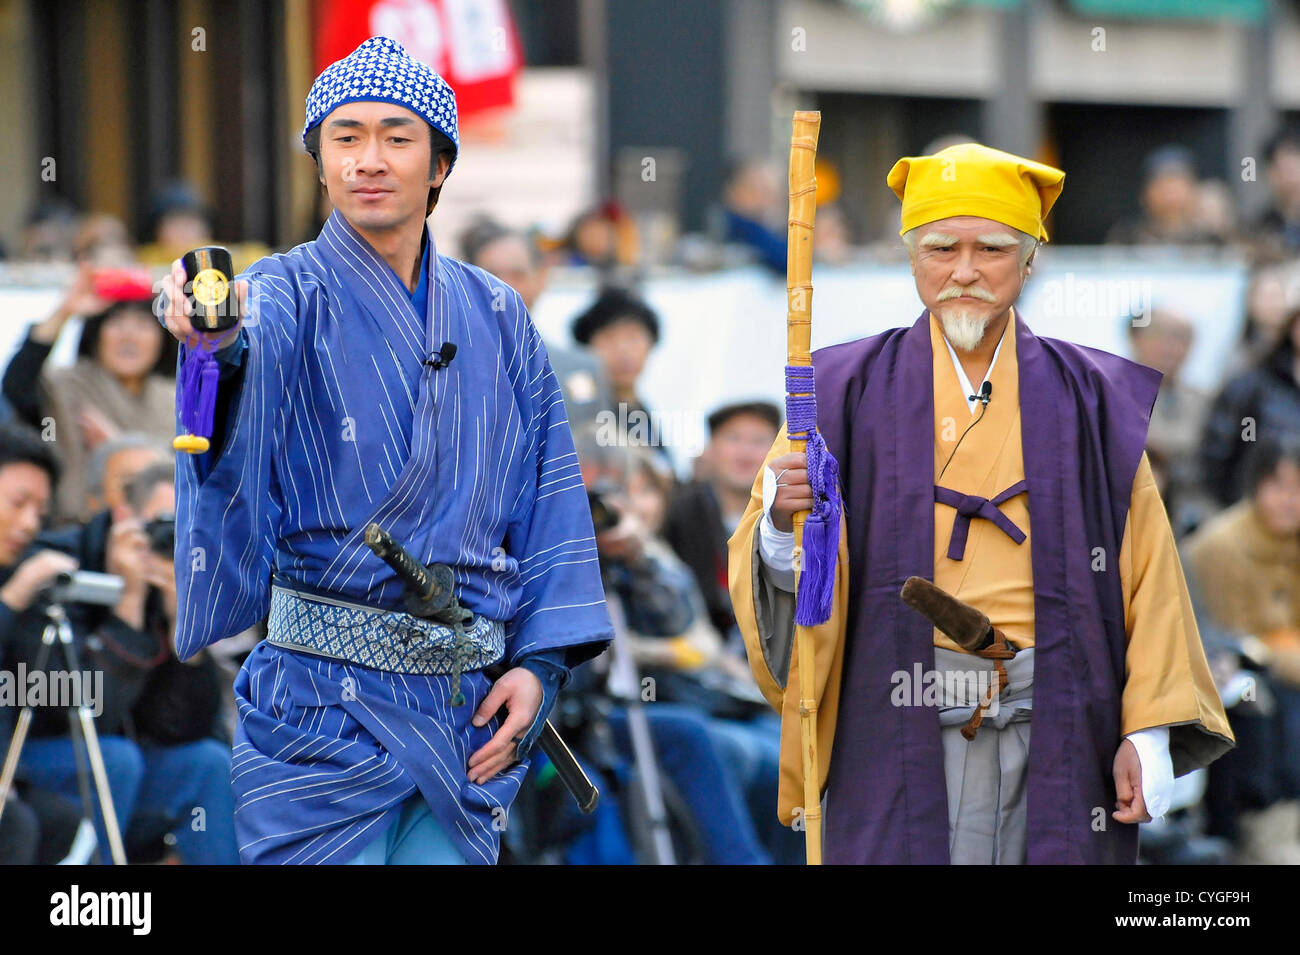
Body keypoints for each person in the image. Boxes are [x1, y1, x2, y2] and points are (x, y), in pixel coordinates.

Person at [157, 36, 611, 865]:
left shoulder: (499, 313)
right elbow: (239, 335)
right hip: (317, 712)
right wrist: (207, 331)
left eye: (398, 138)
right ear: (319, 161)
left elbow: (552, 498)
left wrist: (542, 665)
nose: (371, 160)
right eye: (346, 137)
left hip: (465, 712)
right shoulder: (286, 291)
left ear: (439, 165)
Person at [729, 142, 1234, 864]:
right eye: (941, 247)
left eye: (992, 248)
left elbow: (1150, 575)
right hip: (897, 712)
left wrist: (1147, 729)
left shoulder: (1090, 398)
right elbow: (781, 576)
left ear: (1030, 261)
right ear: (911, 259)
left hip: (1060, 714)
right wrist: (783, 524)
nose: (964, 270)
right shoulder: (840, 393)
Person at [2, 262, 178, 523]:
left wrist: (119, 448)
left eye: (142, 324)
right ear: (96, 334)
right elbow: (17, 385)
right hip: (70, 530)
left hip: (156, 539)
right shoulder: (64, 386)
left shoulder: (178, 399)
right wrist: (66, 310)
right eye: (116, 322)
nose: (128, 336)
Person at [459, 217, 611, 432]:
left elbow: (597, 455)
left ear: (540, 279)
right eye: (491, 275)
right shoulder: (443, 368)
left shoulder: (581, 369)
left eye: (517, 274)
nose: (504, 287)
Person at [665, 400, 781, 638]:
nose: (745, 452)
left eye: (758, 441)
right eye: (733, 438)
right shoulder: (677, 515)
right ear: (710, 449)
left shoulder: (789, 518)